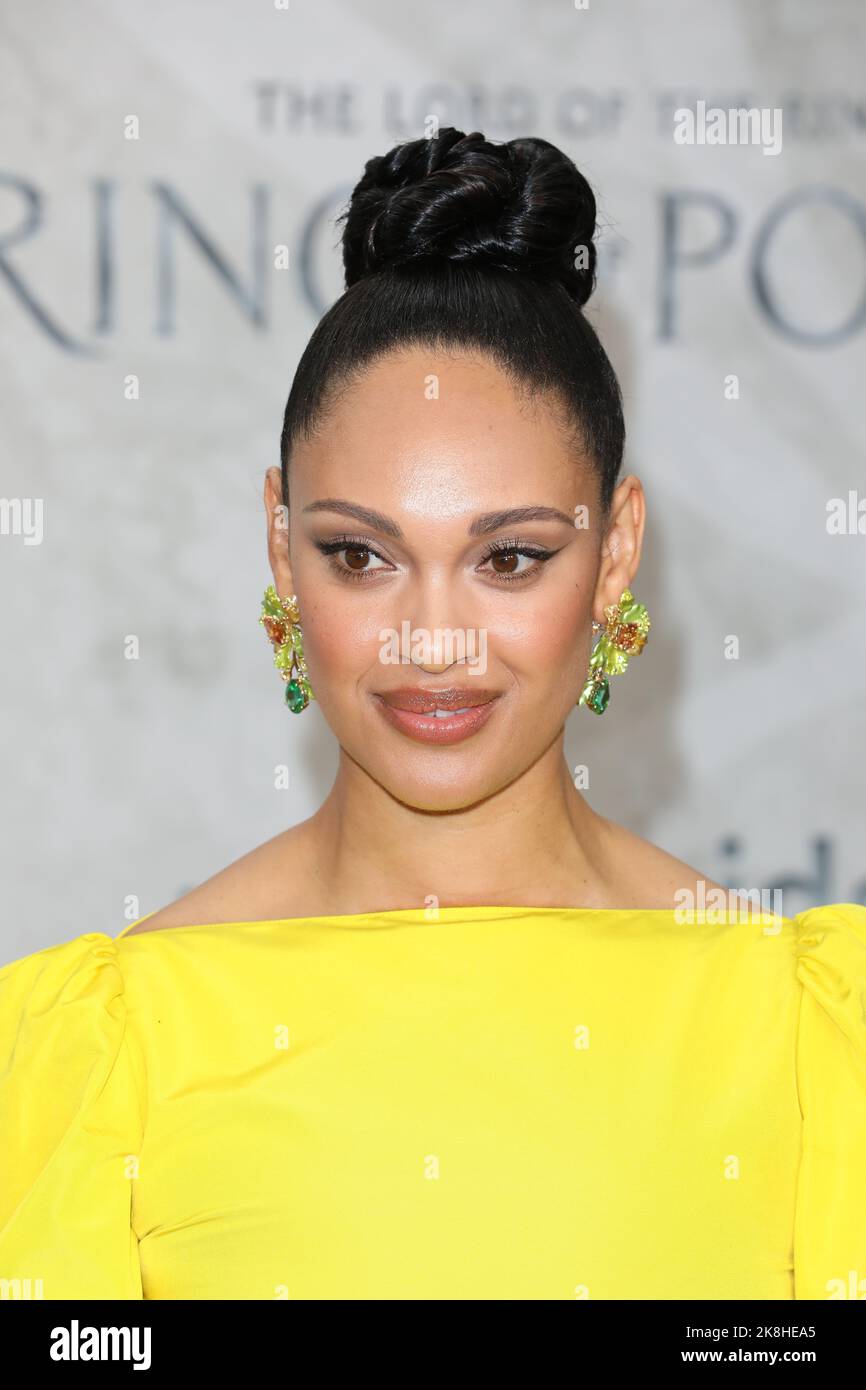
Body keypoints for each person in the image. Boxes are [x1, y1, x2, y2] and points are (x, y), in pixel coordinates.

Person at [1, 128, 864, 1301]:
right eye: (359, 553)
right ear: (277, 541)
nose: (433, 640)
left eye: (509, 557)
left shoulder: (808, 1032)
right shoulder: (94, 1052)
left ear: (613, 555)